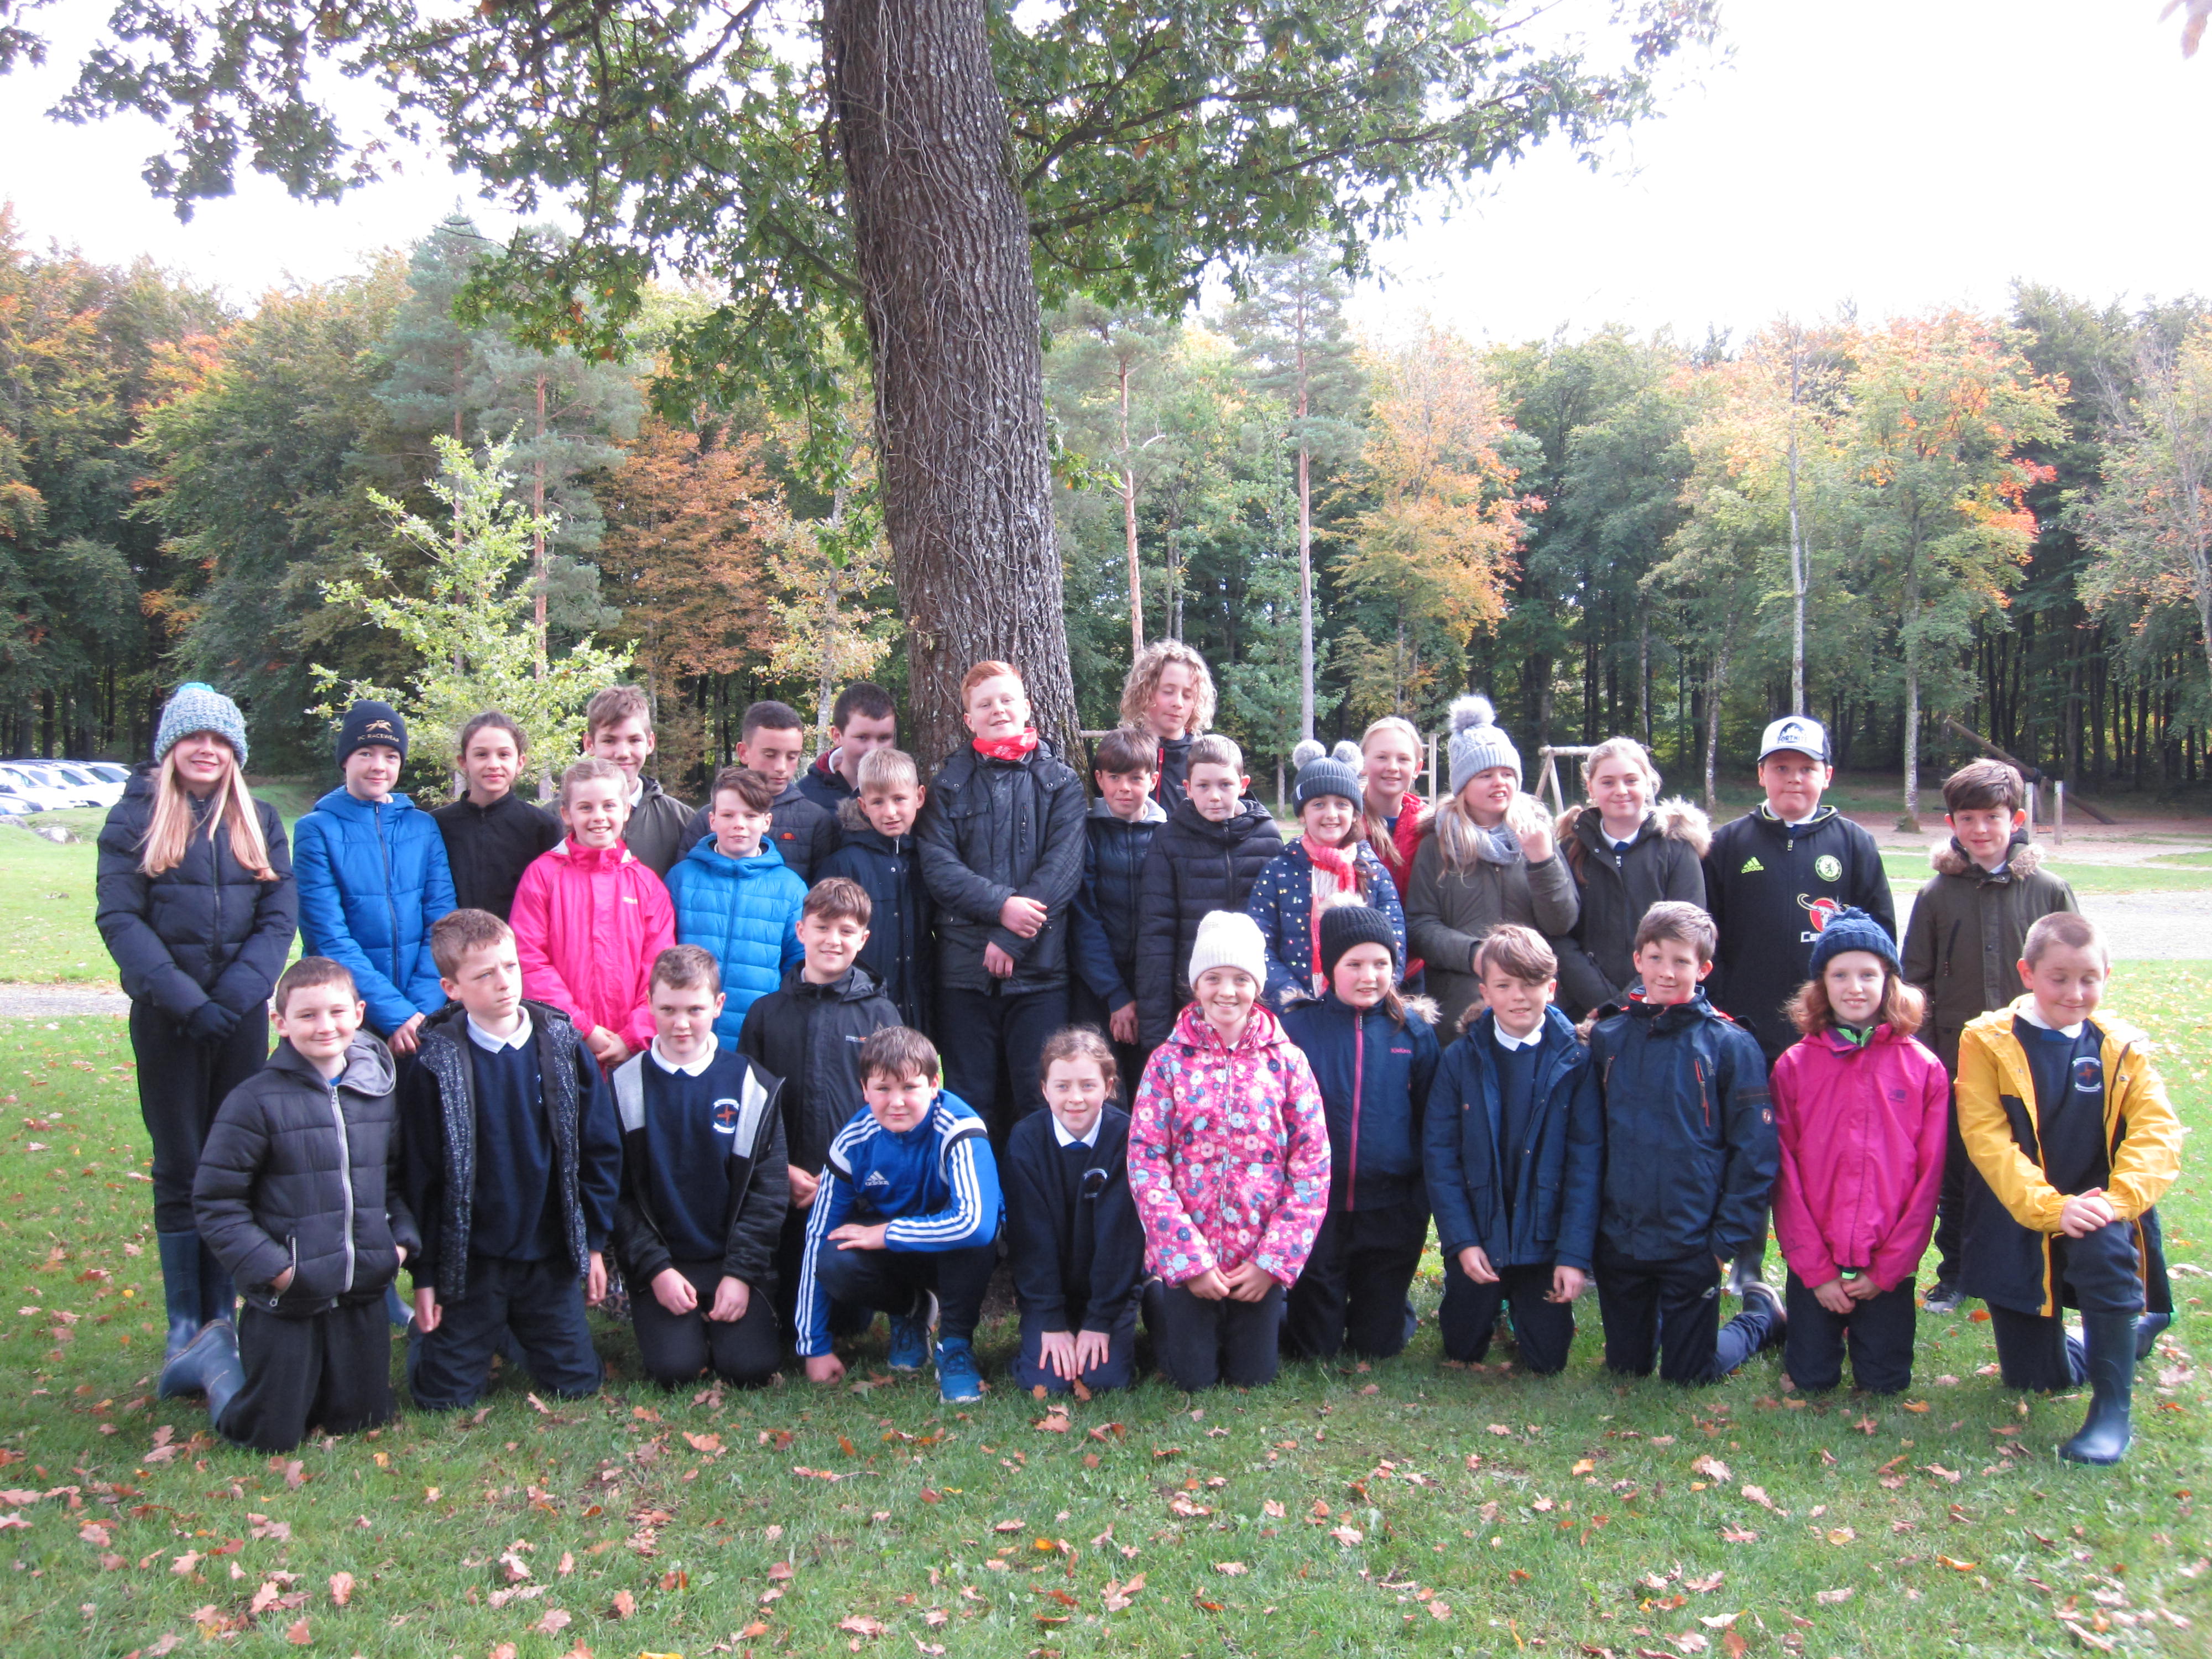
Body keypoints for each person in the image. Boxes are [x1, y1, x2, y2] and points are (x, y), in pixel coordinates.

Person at [95, 682, 296, 1394]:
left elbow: (278, 916)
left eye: (219, 741)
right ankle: (190, 1322)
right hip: (169, 1021)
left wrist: (237, 997)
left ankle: (231, 1310)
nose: (206, 751)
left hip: (239, 1020)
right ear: (171, 749)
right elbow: (121, 921)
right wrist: (186, 1000)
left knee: (237, 1162)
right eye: (193, 739)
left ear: (234, 752)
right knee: (182, 1163)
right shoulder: (134, 820)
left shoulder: (260, 821)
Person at [1956, 913, 2180, 1464]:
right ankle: (2125, 1335)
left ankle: (2111, 1411)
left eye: (2088, 979)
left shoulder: (2123, 1047)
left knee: (2105, 1244)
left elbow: (2158, 1134)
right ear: (2027, 973)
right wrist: (2051, 1209)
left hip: (2100, 1214)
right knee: (2036, 1381)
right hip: (2021, 1217)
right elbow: (1986, 1139)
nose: (2075, 993)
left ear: (2106, 974)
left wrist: (2115, 1202)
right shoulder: (1985, 1040)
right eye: (2059, 978)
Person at [169, 957, 416, 1451]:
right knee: (269, 1435)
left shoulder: (378, 1093)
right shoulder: (254, 1101)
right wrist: (277, 1270)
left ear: (360, 1013)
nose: (325, 1026)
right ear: (280, 1023)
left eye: (336, 1012)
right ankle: (214, 1359)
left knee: (362, 1421)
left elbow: (396, 1180)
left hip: (359, 1291)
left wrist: (400, 1244)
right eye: (307, 1016)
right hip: (290, 1296)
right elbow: (217, 1202)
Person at [1700, 714, 1893, 1293]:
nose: (1793, 779)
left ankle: (1830, 1257)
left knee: (1825, 1152)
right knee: (1750, 1148)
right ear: (1761, 774)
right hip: (1749, 1031)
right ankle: (1747, 1261)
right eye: (1781, 768)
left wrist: (1856, 1010)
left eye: (1806, 769)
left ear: (1826, 775)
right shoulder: (1729, 843)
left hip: (1826, 1037)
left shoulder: (1852, 843)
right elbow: (1709, 937)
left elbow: (1879, 936)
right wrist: (1725, 1011)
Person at [401, 909, 623, 1411]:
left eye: (510, 966)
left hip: (547, 1255)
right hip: (472, 1261)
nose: (504, 983)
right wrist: (428, 1275)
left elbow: (600, 1150)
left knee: (577, 1386)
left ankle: (515, 1328)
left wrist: (590, 1244)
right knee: (444, 1399)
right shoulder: (434, 1063)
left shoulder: (564, 1046)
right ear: (450, 987)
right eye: (484, 975)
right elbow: (421, 1176)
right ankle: (452, 1335)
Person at [1902, 758, 2079, 1315]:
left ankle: (2038, 1266)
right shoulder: (1936, 895)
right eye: (1968, 818)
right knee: (1959, 1169)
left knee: (2032, 1162)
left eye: (1992, 817)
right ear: (1951, 823)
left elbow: (2077, 971)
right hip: (1958, 1060)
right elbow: (1916, 980)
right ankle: (1955, 1270)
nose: (1980, 830)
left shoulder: (2049, 890)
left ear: (2017, 818)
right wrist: (1929, 1054)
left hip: (2034, 1059)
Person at [1583, 902, 1786, 1384]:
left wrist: (1721, 1245)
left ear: (1704, 968)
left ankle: (1761, 1318)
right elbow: (1588, 1143)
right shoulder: (1607, 1038)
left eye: (1681, 961)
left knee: (1689, 1374)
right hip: (1621, 1239)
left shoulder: (1729, 1044)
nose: (1667, 973)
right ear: (1637, 960)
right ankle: (1647, 1322)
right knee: (1627, 1369)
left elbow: (1753, 1154)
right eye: (1655, 958)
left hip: (1693, 1241)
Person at [1128, 911, 1329, 1391]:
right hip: (1191, 1261)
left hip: (1256, 1261)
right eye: (1213, 978)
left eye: (1241, 979)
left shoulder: (1287, 1061)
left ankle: (1267, 1311)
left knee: (1252, 1377)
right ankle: (1162, 1301)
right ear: (1195, 984)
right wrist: (1187, 1260)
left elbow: (1312, 1168)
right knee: (1191, 1378)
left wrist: (1272, 1262)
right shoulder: (1168, 1062)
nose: (1227, 991)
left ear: (1256, 985)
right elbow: (1146, 1162)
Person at [1769, 911, 1948, 1396]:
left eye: (1868, 974)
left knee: (1886, 1384)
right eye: (1840, 975)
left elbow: (1929, 1177)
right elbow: (1783, 1173)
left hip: (1884, 1264)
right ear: (1821, 985)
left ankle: (1873, 1321)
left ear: (1889, 981)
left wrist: (1888, 1269)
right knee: (1811, 1380)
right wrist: (1816, 1270)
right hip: (1818, 1261)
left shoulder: (1924, 1069)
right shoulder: (1794, 1066)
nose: (1855, 987)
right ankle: (1773, 1319)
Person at [915, 661, 1088, 1134]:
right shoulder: (947, 785)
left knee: (1039, 1106)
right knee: (970, 1105)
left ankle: (1034, 1208)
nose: (998, 710)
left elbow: (1064, 869)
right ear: (968, 718)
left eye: (1007, 700)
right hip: (965, 978)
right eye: (985, 704)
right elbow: (940, 869)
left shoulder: (1062, 782)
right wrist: (1001, 908)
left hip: (1041, 976)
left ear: (1027, 707)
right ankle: (980, 1205)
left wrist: (1012, 939)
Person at [609, 946, 788, 1389]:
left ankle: (734, 1320)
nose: (681, 1023)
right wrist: (655, 1270)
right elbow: (616, 1195)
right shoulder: (623, 1087)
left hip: (734, 1262)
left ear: (719, 1006)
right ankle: (677, 1327)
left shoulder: (752, 1085)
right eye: (667, 1009)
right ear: (649, 1004)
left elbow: (769, 1192)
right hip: (667, 1266)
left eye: (695, 1009)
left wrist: (741, 1275)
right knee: (676, 1371)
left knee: (750, 1369)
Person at [796, 1027, 1003, 1403]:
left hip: (956, 1252)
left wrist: (887, 1233)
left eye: (909, 1087)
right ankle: (911, 1310)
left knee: (975, 1237)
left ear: (934, 1083)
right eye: (883, 1088)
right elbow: (816, 1236)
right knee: (834, 1259)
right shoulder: (852, 1142)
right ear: (864, 1089)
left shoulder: (959, 1127)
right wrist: (814, 1347)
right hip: (900, 1255)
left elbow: (976, 1223)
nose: (897, 1102)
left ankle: (955, 1347)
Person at [738, 878, 904, 1335]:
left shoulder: (881, 1015)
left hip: (855, 1186)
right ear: (800, 931)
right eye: (823, 927)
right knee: (784, 1319)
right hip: (784, 1182)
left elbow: (896, 1109)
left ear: (864, 939)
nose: (834, 940)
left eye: (847, 931)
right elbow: (750, 1109)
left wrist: (842, 1177)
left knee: (849, 1318)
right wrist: (781, 1169)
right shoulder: (766, 1014)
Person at [1279, 904, 1440, 1361]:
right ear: (1331, 967)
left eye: (1381, 964)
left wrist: (1419, 1199)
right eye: (1354, 964)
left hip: (1391, 1210)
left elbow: (1431, 1121)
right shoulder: (1296, 1030)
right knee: (1316, 1348)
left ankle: (1389, 1309)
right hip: (1318, 1210)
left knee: (1378, 1346)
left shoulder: (1414, 1034)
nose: (1369, 975)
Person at [1405, 696, 1578, 1036]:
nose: (1499, 783)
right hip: (1461, 1008)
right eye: (1485, 775)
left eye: (1507, 773)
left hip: (1531, 1004)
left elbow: (1562, 922)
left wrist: (1543, 862)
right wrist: (1476, 955)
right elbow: (1420, 927)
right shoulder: (1437, 844)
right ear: (1463, 786)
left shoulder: (1537, 834)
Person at [294, 700, 456, 1057]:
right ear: (346, 759)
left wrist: (421, 1013)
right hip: (347, 1016)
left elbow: (442, 924)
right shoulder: (316, 831)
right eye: (366, 753)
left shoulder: (423, 827)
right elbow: (327, 937)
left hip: (423, 1018)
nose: (379, 766)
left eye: (391, 756)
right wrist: (395, 1014)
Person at [511, 758, 677, 1072]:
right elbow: (529, 961)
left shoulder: (646, 885)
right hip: (560, 1046)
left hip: (631, 1053)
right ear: (566, 814)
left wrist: (631, 1037)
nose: (598, 817)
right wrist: (582, 1028)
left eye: (609, 806)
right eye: (586, 807)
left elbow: (660, 968)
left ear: (627, 810)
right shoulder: (543, 876)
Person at [1003, 1027, 1144, 1394]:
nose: (1076, 1098)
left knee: (1105, 1382)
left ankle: (1114, 1338)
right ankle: (1037, 1344)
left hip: (1108, 1294)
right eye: (1063, 1086)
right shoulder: (1026, 1140)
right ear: (1044, 1088)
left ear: (1109, 1086)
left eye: (1088, 1085)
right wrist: (1049, 1317)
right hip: (1050, 1293)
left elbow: (1120, 1237)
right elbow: (1030, 1238)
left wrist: (1100, 1320)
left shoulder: (1127, 1138)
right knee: (1048, 1385)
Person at [1134, 733, 1282, 1052]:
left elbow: (1278, 925)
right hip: (1191, 997)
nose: (1215, 796)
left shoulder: (1267, 837)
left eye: (1225, 785)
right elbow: (1156, 936)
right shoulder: (1169, 840)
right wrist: (1156, 1030)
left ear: (1243, 784)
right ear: (1187, 788)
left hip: (1254, 997)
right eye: (1203, 786)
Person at [1551, 737, 1708, 1019]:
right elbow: (1559, 934)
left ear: (1648, 783)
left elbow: (1688, 934)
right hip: (1585, 1012)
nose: (1621, 791)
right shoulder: (1570, 849)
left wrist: (1626, 1002)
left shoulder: (1677, 850)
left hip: (1661, 1009)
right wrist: (1601, 1002)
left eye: (1631, 780)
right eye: (1608, 782)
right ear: (1591, 787)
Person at [1246, 753, 1406, 1011]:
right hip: (1296, 1014)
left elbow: (1394, 942)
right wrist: (1294, 999)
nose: (1331, 814)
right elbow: (1259, 941)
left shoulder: (1374, 874)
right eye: (1319, 804)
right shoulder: (1278, 872)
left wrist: (1373, 994)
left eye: (1342, 804)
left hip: (1362, 1010)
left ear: (1355, 813)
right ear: (1301, 814)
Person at [666, 766, 807, 1044]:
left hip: (755, 1036)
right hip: (685, 1032)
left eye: (750, 815)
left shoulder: (790, 888)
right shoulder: (682, 879)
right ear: (712, 820)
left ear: (767, 821)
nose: (739, 824)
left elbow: (798, 964)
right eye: (728, 815)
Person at [1068, 727, 1166, 1086]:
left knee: (1150, 1085)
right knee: (1101, 1083)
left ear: (1153, 780)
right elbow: (1084, 918)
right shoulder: (1087, 832)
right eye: (1114, 777)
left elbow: (1164, 919)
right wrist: (1115, 994)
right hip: (1096, 987)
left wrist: (1143, 994)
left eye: (1135, 778)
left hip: (1151, 987)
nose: (1125, 788)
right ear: (1099, 779)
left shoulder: (1165, 836)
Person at [815, 748, 933, 1032]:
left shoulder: (927, 859)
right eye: (878, 802)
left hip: (918, 1003)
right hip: (860, 1007)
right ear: (863, 806)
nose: (890, 812)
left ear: (919, 797)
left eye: (899, 800)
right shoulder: (844, 863)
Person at [678, 701, 841, 881]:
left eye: (792, 757)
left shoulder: (815, 821)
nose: (781, 767)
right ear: (743, 752)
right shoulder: (708, 818)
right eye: (770, 755)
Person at [431, 711, 562, 920]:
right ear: (463, 761)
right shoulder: (437, 826)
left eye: (503, 755)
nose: (493, 764)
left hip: (518, 948)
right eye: (481, 755)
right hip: (451, 946)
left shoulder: (543, 827)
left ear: (520, 762)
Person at [584, 685, 694, 880]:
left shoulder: (681, 820)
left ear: (650, 743)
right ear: (589, 744)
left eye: (634, 740)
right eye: (609, 741)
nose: (623, 753)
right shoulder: (559, 819)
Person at [1355, 716, 1431, 984]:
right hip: (1357, 968)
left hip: (1414, 965)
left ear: (1418, 767)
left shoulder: (1430, 829)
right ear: (1363, 763)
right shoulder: (1344, 825)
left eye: (1403, 759)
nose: (1392, 767)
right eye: (1382, 757)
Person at [1117, 639, 1215, 810]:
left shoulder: (1205, 759)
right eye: (1168, 692)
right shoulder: (1120, 753)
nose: (1178, 703)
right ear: (1144, 693)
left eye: (1187, 695)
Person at [798, 682, 899, 815]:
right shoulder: (805, 795)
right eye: (862, 738)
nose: (874, 750)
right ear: (837, 736)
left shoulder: (905, 790)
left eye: (884, 738)